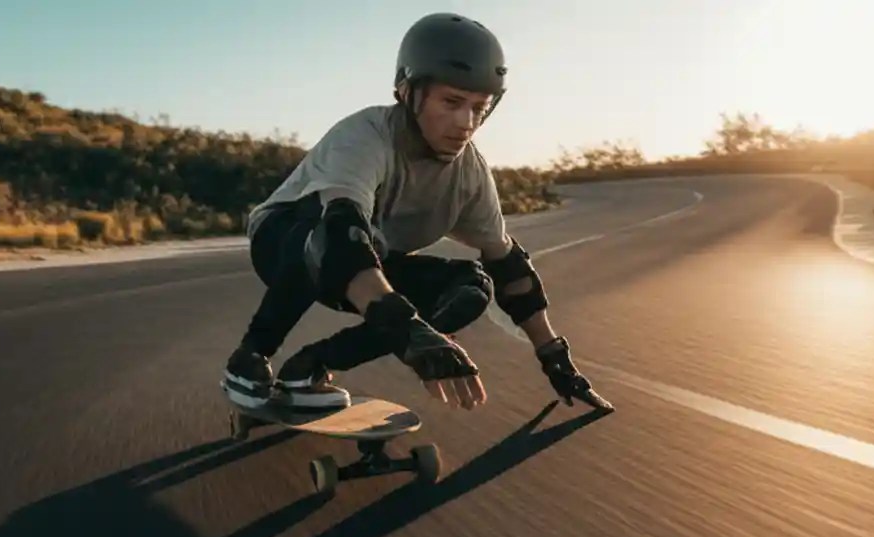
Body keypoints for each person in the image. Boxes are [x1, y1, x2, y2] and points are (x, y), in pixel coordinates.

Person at [222, 12, 612, 415]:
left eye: (481, 107)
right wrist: (410, 331)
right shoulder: (365, 137)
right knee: (332, 230)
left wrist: (555, 360)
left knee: (470, 288)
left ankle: (311, 364)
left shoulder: (470, 174)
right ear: (408, 91)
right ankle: (249, 358)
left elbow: (510, 269)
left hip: (368, 263)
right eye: (451, 102)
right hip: (287, 245)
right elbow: (340, 236)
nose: (467, 123)